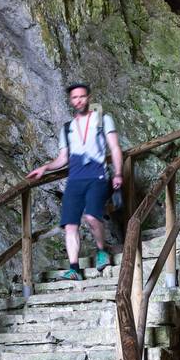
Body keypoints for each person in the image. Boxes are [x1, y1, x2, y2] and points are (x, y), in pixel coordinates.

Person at [27, 83, 124, 281]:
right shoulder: (67, 129)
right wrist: (45, 167)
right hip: (75, 180)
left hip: (97, 176)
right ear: (70, 101)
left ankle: (101, 251)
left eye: (82, 96)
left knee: (91, 217)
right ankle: (74, 268)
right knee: (70, 226)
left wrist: (118, 173)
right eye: (74, 98)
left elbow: (114, 148)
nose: (78, 100)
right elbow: (63, 158)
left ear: (89, 97)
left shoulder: (103, 120)